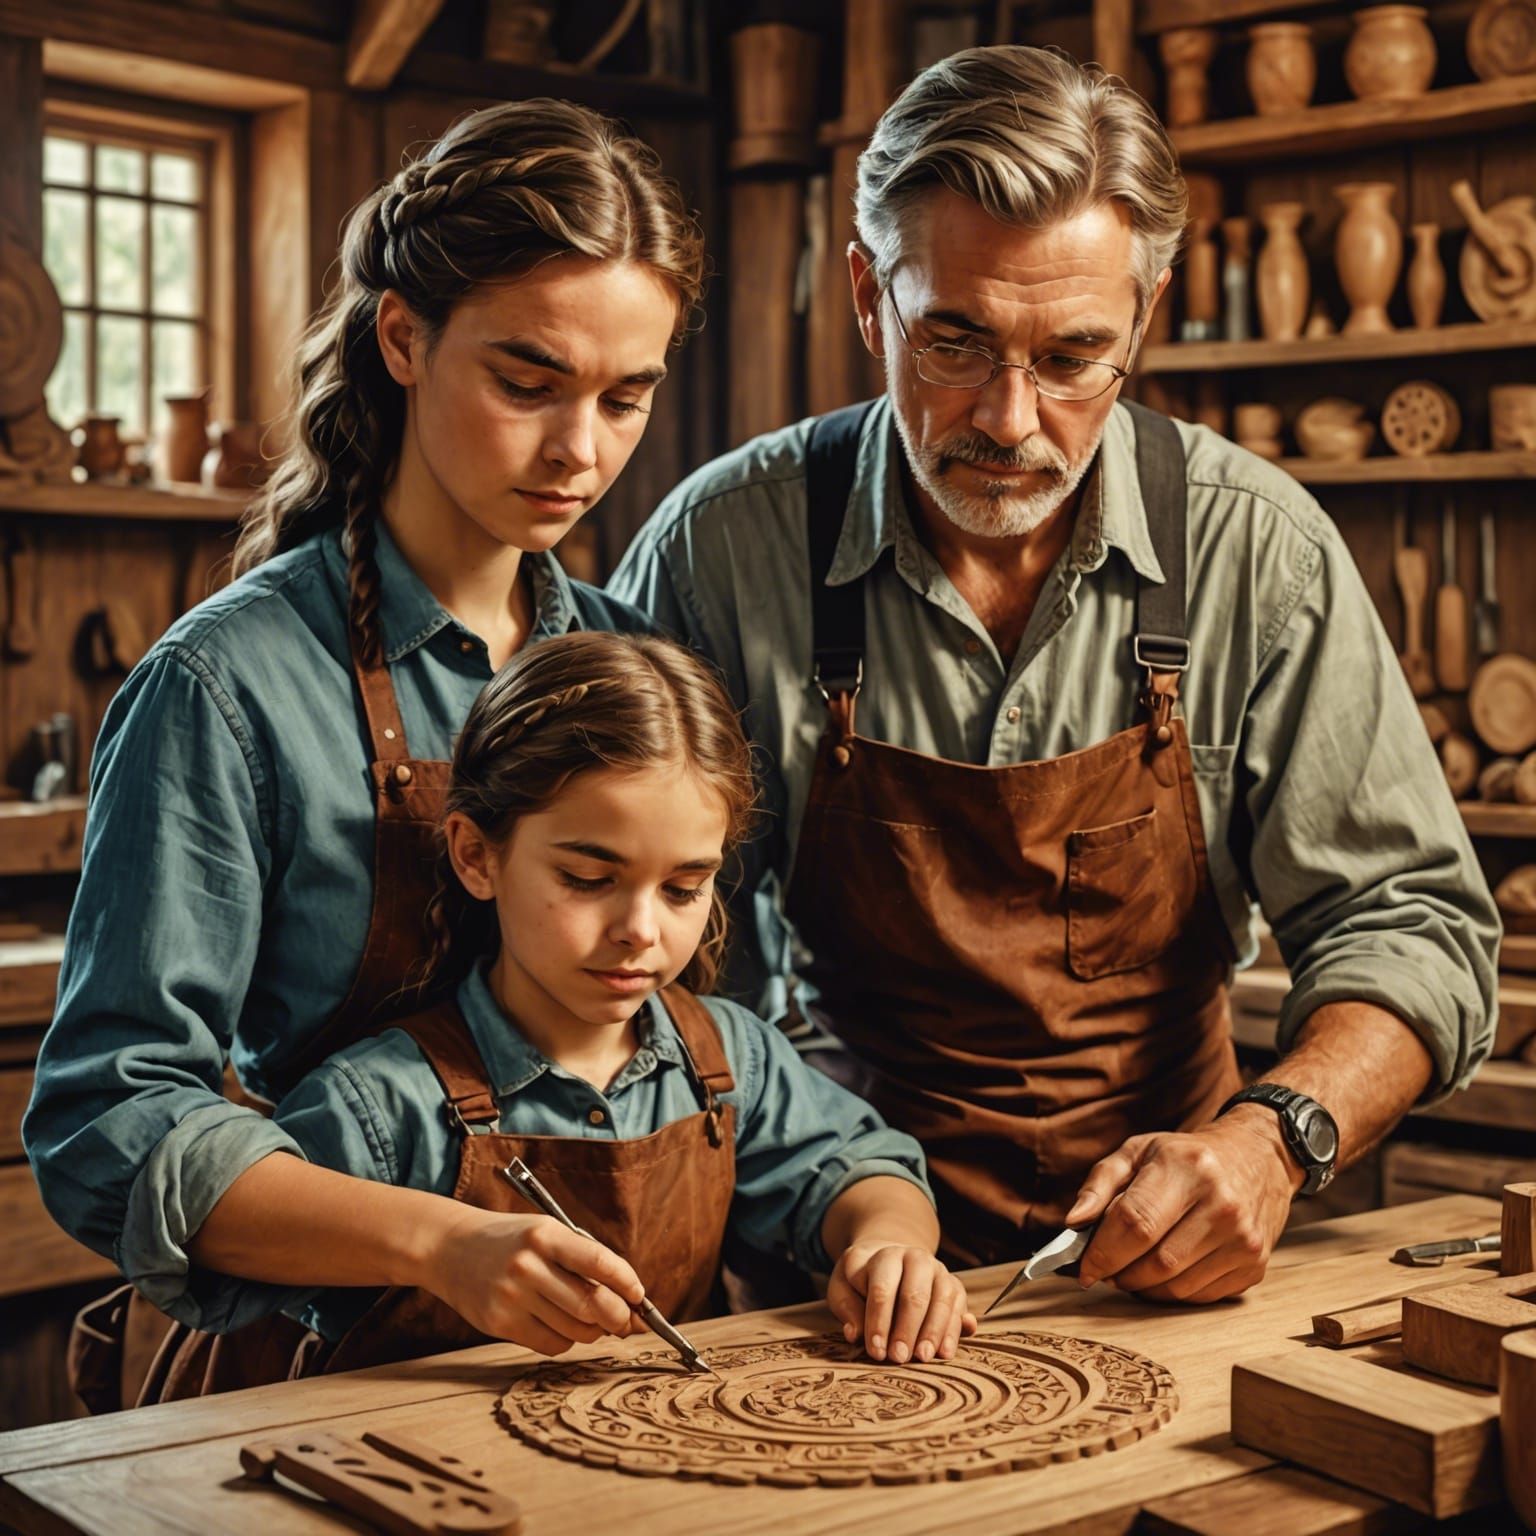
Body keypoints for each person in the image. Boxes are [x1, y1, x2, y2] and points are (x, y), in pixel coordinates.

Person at [611, 46, 1501, 1302]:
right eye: (956, 341)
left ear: (1147, 313)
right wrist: (797, 1190)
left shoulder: (1259, 550)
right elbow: (650, 966)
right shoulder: (721, 551)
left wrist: (1270, 1138)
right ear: (870, 300)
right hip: (828, 1263)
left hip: (1164, 1268)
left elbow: (1413, 924)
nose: (1011, 420)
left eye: (1075, 356)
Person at [25, 99, 707, 1403]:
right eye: (527, 383)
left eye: (626, 399)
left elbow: (717, 1032)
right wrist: (442, 1241)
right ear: (403, 335)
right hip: (313, 1376)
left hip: (611, 1373)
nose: (581, 450)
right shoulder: (225, 686)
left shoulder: (637, 673)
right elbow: (110, 1122)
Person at [247, 631, 972, 1376]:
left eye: (685, 888)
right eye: (589, 879)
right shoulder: (381, 1103)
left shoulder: (727, 1060)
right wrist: (439, 1246)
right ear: (476, 855)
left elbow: (860, 1166)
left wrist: (891, 1243)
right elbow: (228, 1247)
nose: (640, 931)